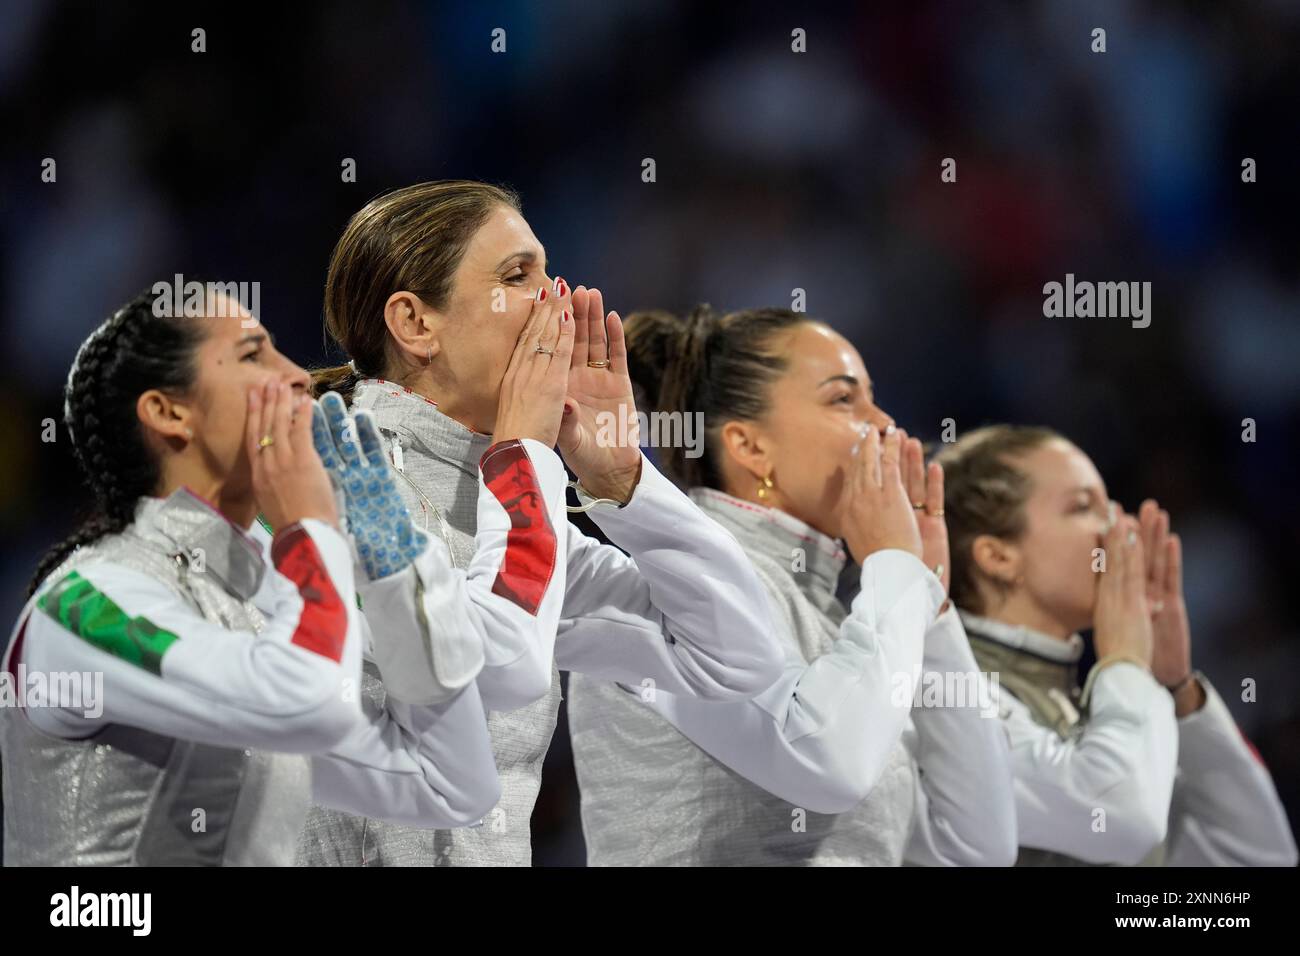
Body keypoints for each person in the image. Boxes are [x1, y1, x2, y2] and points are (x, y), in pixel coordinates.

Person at [298, 181, 785, 866]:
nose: (556, 302)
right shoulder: (334, 482)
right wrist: (524, 453)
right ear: (415, 324)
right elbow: (499, 662)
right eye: (516, 276)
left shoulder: (512, 504)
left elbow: (739, 659)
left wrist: (622, 480)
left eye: (547, 272)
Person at [2, 287, 501, 866]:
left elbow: (453, 784)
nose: (296, 377)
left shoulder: (264, 595)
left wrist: (393, 571)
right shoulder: (86, 603)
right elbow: (308, 703)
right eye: (251, 356)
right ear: (169, 413)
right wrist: (309, 527)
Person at [567, 306, 1016, 865]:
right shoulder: (674, 589)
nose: (884, 424)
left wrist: (931, 600)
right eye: (843, 399)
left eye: (873, 396)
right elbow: (830, 762)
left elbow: (975, 844)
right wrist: (897, 568)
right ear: (750, 447)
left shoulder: (847, 614)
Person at [937, 424, 1298, 865]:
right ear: (998, 556)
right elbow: (1125, 818)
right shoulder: (947, 696)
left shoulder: (1100, 702)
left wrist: (1176, 688)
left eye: (1112, 505)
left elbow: (1258, 858)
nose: (1119, 528)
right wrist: (1125, 662)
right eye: (1083, 507)